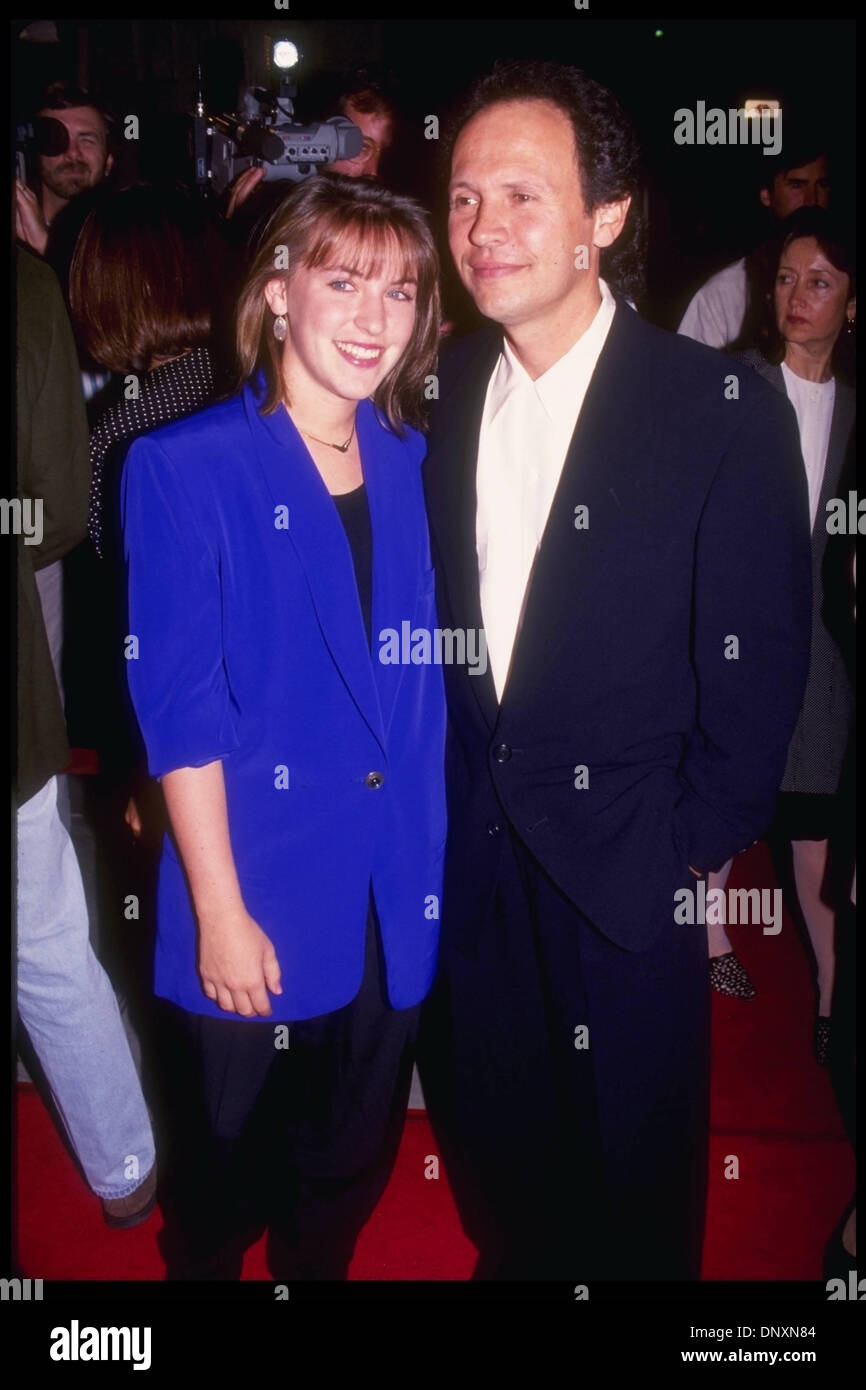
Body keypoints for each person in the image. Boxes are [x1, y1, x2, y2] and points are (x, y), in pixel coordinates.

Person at [415, 60, 812, 1281]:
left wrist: (683, 844)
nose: (484, 230)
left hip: (624, 879)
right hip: (470, 866)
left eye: (523, 197)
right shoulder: (440, 387)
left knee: (631, 1194)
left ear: (607, 215)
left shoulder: (718, 405)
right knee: (496, 1159)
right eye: (466, 197)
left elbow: (757, 667)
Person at [120, 172, 446, 1279]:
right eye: (342, 280)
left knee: (345, 1168)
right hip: (252, 883)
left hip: (387, 883)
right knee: (220, 1178)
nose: (372, 318)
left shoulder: (408, 459)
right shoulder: (180, 466)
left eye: (399, 292)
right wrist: (217, 910)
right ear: (275, 290)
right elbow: (180, 712)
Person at [15, 244, 156, 1229]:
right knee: (47, 938)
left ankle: (125, 1162)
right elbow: (54, 512)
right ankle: (125, 1165)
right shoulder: (22, 283)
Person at [731, 208, 854, 1060]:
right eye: (785, 279)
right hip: (736, 639)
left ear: (852, 302)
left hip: (823, 647)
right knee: (721, 807)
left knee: (813, 826)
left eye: (818, 282)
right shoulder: (732, 385)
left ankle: (832, 991)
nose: (797, 297)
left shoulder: (856, 409)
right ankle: (706, 945)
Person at [678, 126, 831, 350]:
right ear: (767, 195)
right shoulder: (724, 294)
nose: (812, 200)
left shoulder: (846, 283)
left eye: (822, 185)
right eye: (796, 185)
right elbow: (687, 378)